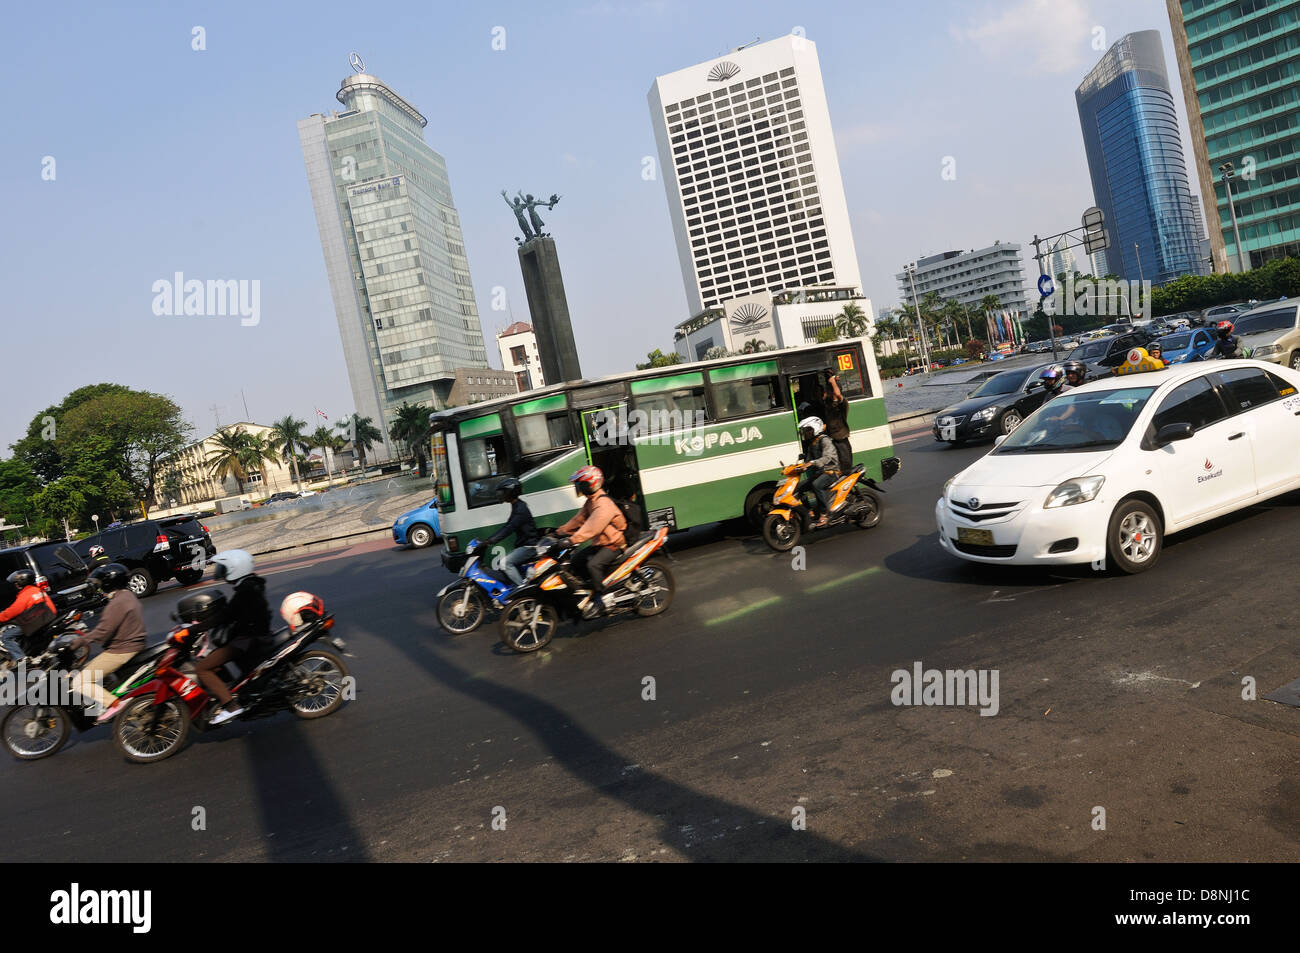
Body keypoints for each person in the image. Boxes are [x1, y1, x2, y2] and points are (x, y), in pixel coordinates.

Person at [193, 549, 272, 726]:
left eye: (224, 567)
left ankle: (230, 706)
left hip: (247, 640)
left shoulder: (245, 590)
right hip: (253, 636)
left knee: (202, 668)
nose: (221, 571)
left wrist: (196, 628)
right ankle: (230, 690)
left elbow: (226, 615)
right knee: (214, 659)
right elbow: (232, 613)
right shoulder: (251, 585)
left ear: (235, 568)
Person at [69, 564, 147, 720]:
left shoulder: (117, 603)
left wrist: (79, 641)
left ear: (109, 583)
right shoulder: (127, 595)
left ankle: (114, 704)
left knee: (79, 682)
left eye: (100, 583)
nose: (98, 587)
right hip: (133, 645)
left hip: (121, 650)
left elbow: (103, 632)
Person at [555, 466, 627, 614]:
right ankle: (590, 589)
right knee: (575, 560)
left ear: (591, 484)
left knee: (593, 565)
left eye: (581, 484)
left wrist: (572, 540)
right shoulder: (591, 501)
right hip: (600, 544)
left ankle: (604, 599)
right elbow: (578, 520)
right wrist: (559, 532)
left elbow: (592, 527)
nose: (578, 487)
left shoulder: (603, 504)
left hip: (613, 544)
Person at [487, 477, 543, 587]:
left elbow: (509, 528)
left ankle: (523, 590)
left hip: (528, 547)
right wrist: (489, 540)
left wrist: (490, 541)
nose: (501, 495)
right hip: (523, 546)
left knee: (505, 563)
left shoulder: (520, 509)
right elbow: (507, 526)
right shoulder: (517, 506)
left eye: (503, 492)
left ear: (510, 492)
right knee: (501, 563)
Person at [0, 569, 56, 669]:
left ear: (21, 582)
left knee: (6, 636)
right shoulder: (36, 590)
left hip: (36, 621)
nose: (15, 585)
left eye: (16, 583)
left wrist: (1, 616)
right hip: (47, 617)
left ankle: (21, 658)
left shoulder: (25, 594)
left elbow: (13, 611)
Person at [797, 416, 839, 529]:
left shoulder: (825, 440)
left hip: (831, 471)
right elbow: (807, 461)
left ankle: (825, 512)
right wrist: (799, 467)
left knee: (816, 484)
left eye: (807, 430)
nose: (805, 433)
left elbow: (827, 458)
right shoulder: (812, 444)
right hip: (820, 473)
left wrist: (812, 463)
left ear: (815, 428)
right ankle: (809, 511)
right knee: (798, 487)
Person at [821, 370, 853, 474]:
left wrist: (833, 382)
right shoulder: (829, 404)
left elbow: (837, 394)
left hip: (841, 439)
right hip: (832, 439)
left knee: (845, 468)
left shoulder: (842, 403)